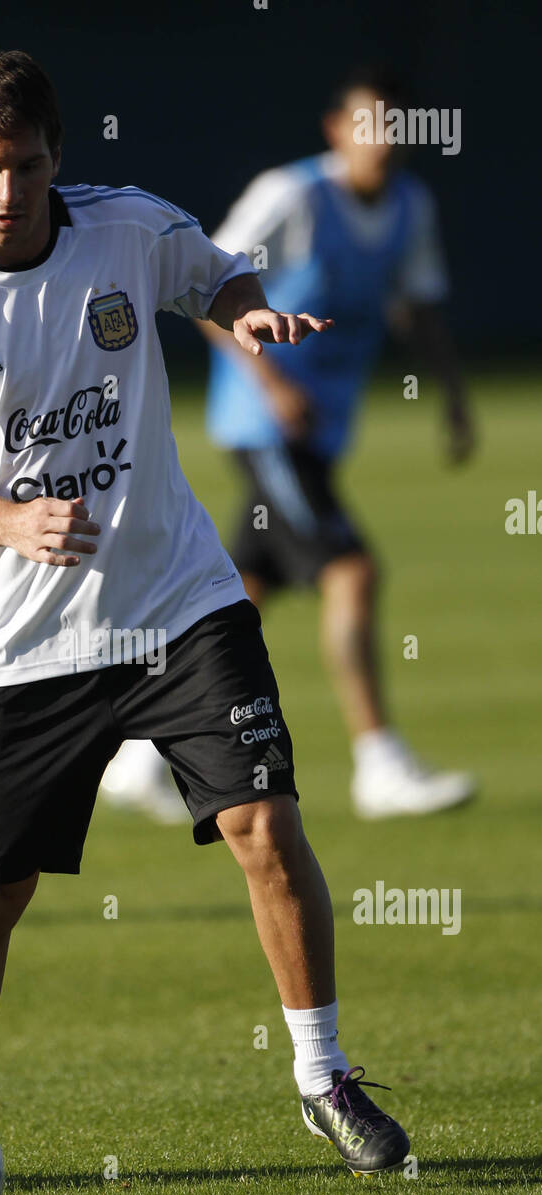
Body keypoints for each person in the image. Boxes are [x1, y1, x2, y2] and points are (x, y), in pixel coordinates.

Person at [0, 46, 410, 1174]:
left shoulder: (126, 229)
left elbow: (215, 276)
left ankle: (323, 1077)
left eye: (25, 166)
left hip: (180, 602)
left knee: (267, 823)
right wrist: (4, 519)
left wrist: (248, 319)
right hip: (29, 643)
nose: (7, 192)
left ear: (59, 158)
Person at [101, 67, 476, 822]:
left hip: (321, 430)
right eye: (369, 125)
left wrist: (452, 395)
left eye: (396, 128)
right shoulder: (292, 194)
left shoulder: (409, 206)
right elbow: (208, 288)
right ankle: (378, 763)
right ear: (336, 131)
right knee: (352, 571)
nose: (384, 142)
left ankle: (137, 756)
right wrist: (272, 387)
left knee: (237, 595)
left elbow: (420, 306)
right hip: (263, 424)